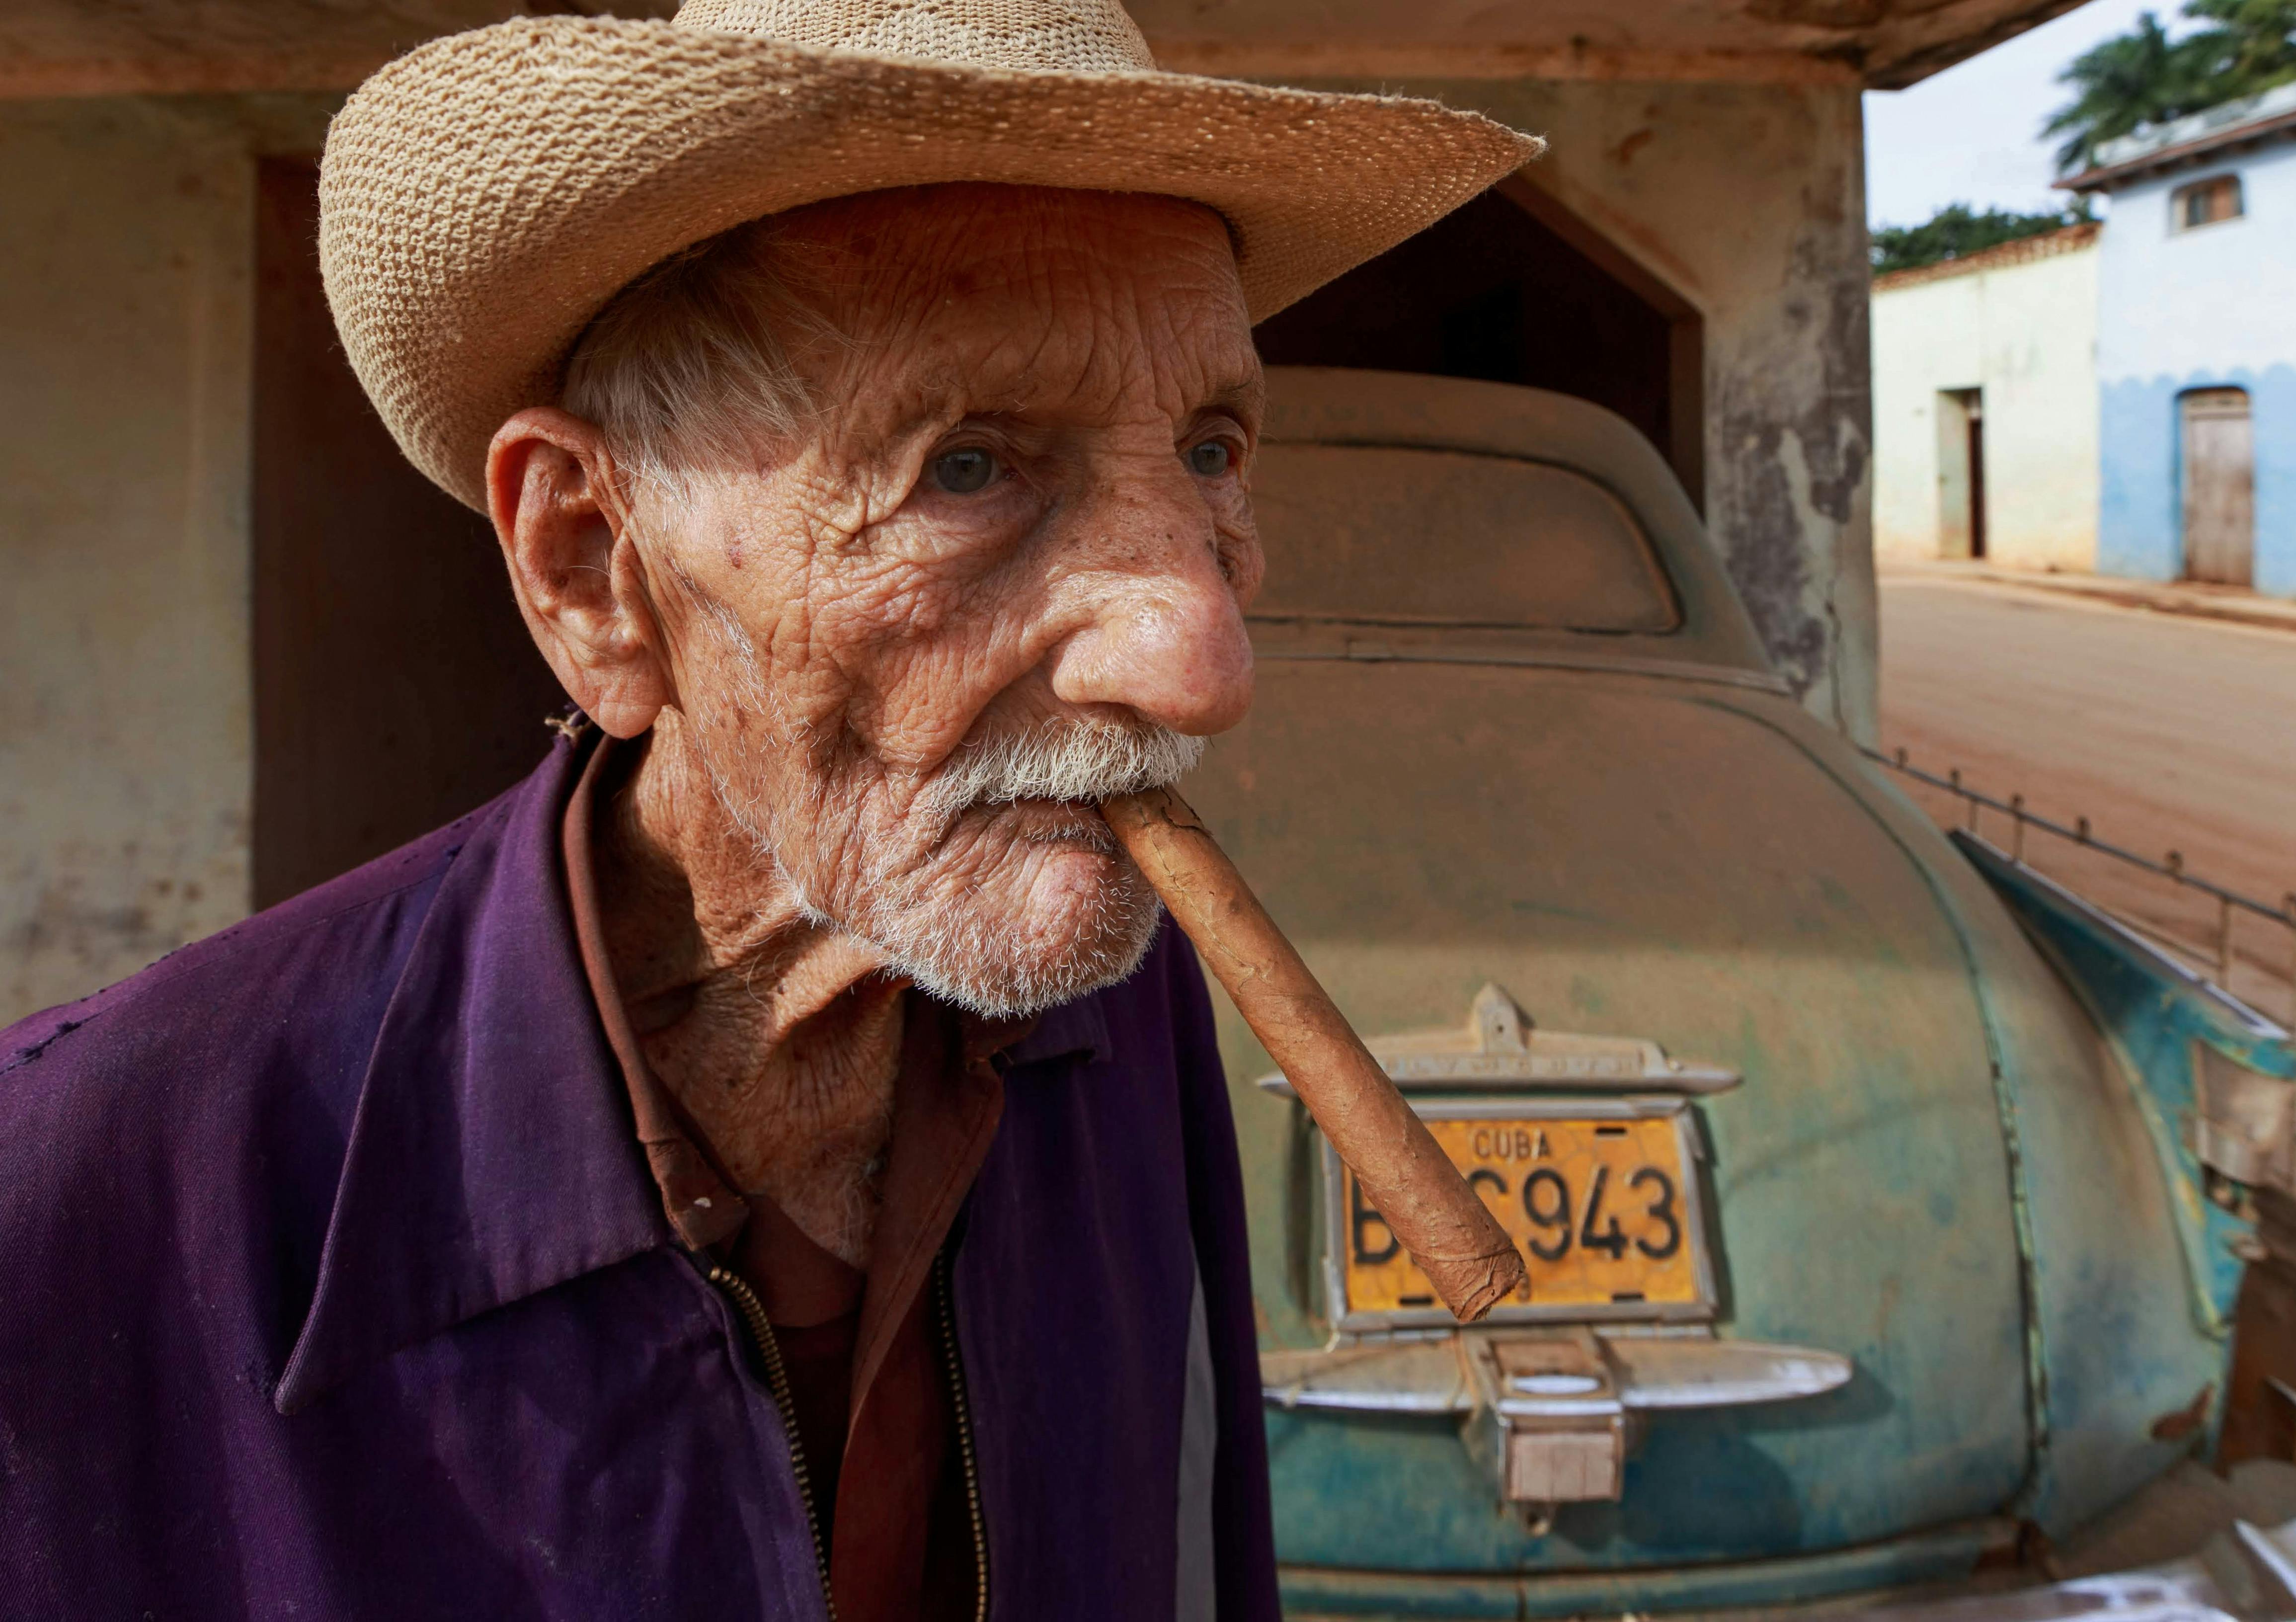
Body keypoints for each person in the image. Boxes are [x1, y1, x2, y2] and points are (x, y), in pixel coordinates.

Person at [0, 0, 1536, 1614]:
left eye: (1211, 449)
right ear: (590, 567)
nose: (1199, 662)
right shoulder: (84, 1198)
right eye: (970, 468)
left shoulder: (1119, 1012)